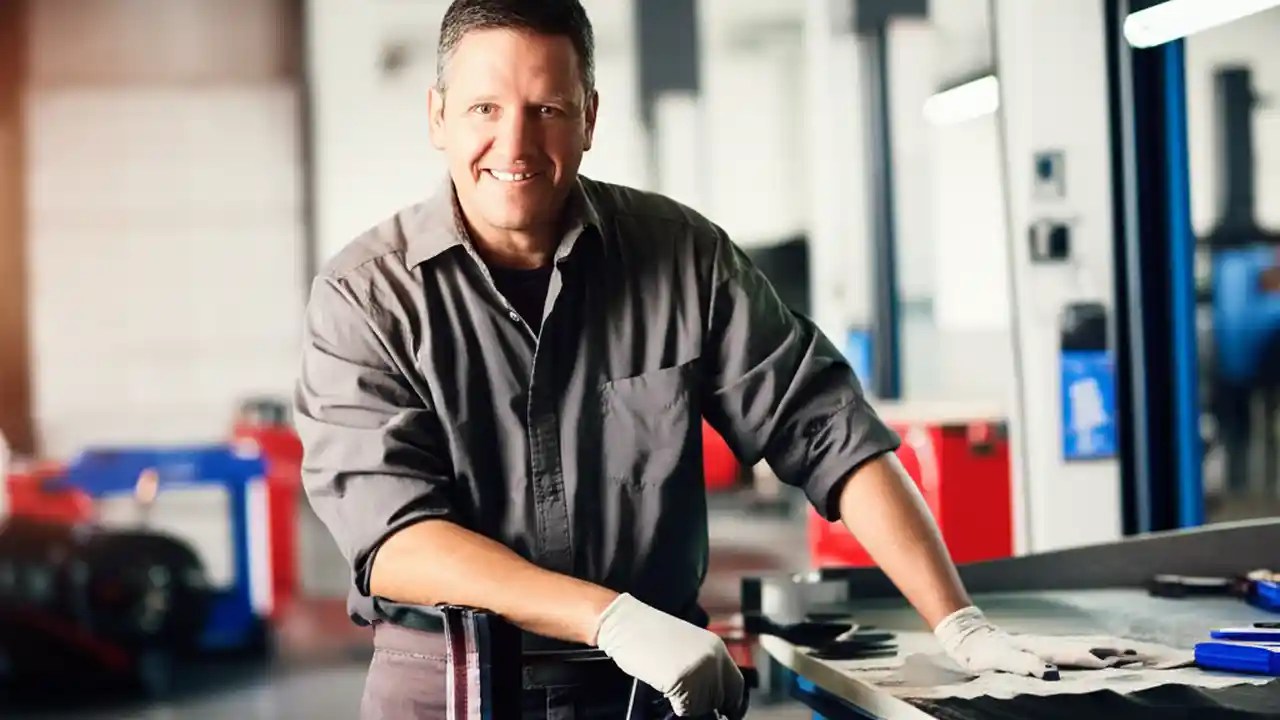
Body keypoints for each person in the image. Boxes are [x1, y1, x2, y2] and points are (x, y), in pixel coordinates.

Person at [295, 1, 1083, 717]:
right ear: (437, 116)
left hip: (654, 690)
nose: (517, 143)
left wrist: (960, 623)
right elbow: (396, 538)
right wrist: (611, 617)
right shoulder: (365, 297)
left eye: (548, 109)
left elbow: (829, 431)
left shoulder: (682, 258)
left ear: (590, 117)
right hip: (449, 691)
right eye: (483, 110)